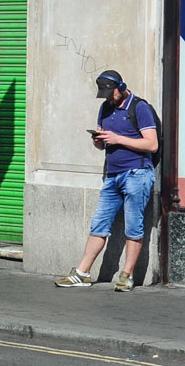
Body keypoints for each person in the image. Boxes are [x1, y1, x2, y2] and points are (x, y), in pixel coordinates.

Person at [55, 69, 159, 291]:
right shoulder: (105, 108)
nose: (108, 98)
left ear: (121, 88)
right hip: (112, 176)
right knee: (99, 224)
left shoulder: (140, 108)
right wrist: (99, 141)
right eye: (104, 94)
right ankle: (82, 273)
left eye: (110, 93)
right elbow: (105, 141)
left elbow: (152, 144)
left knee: (133, 227)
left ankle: (126, 276)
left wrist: (117, 138)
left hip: (136, 174)